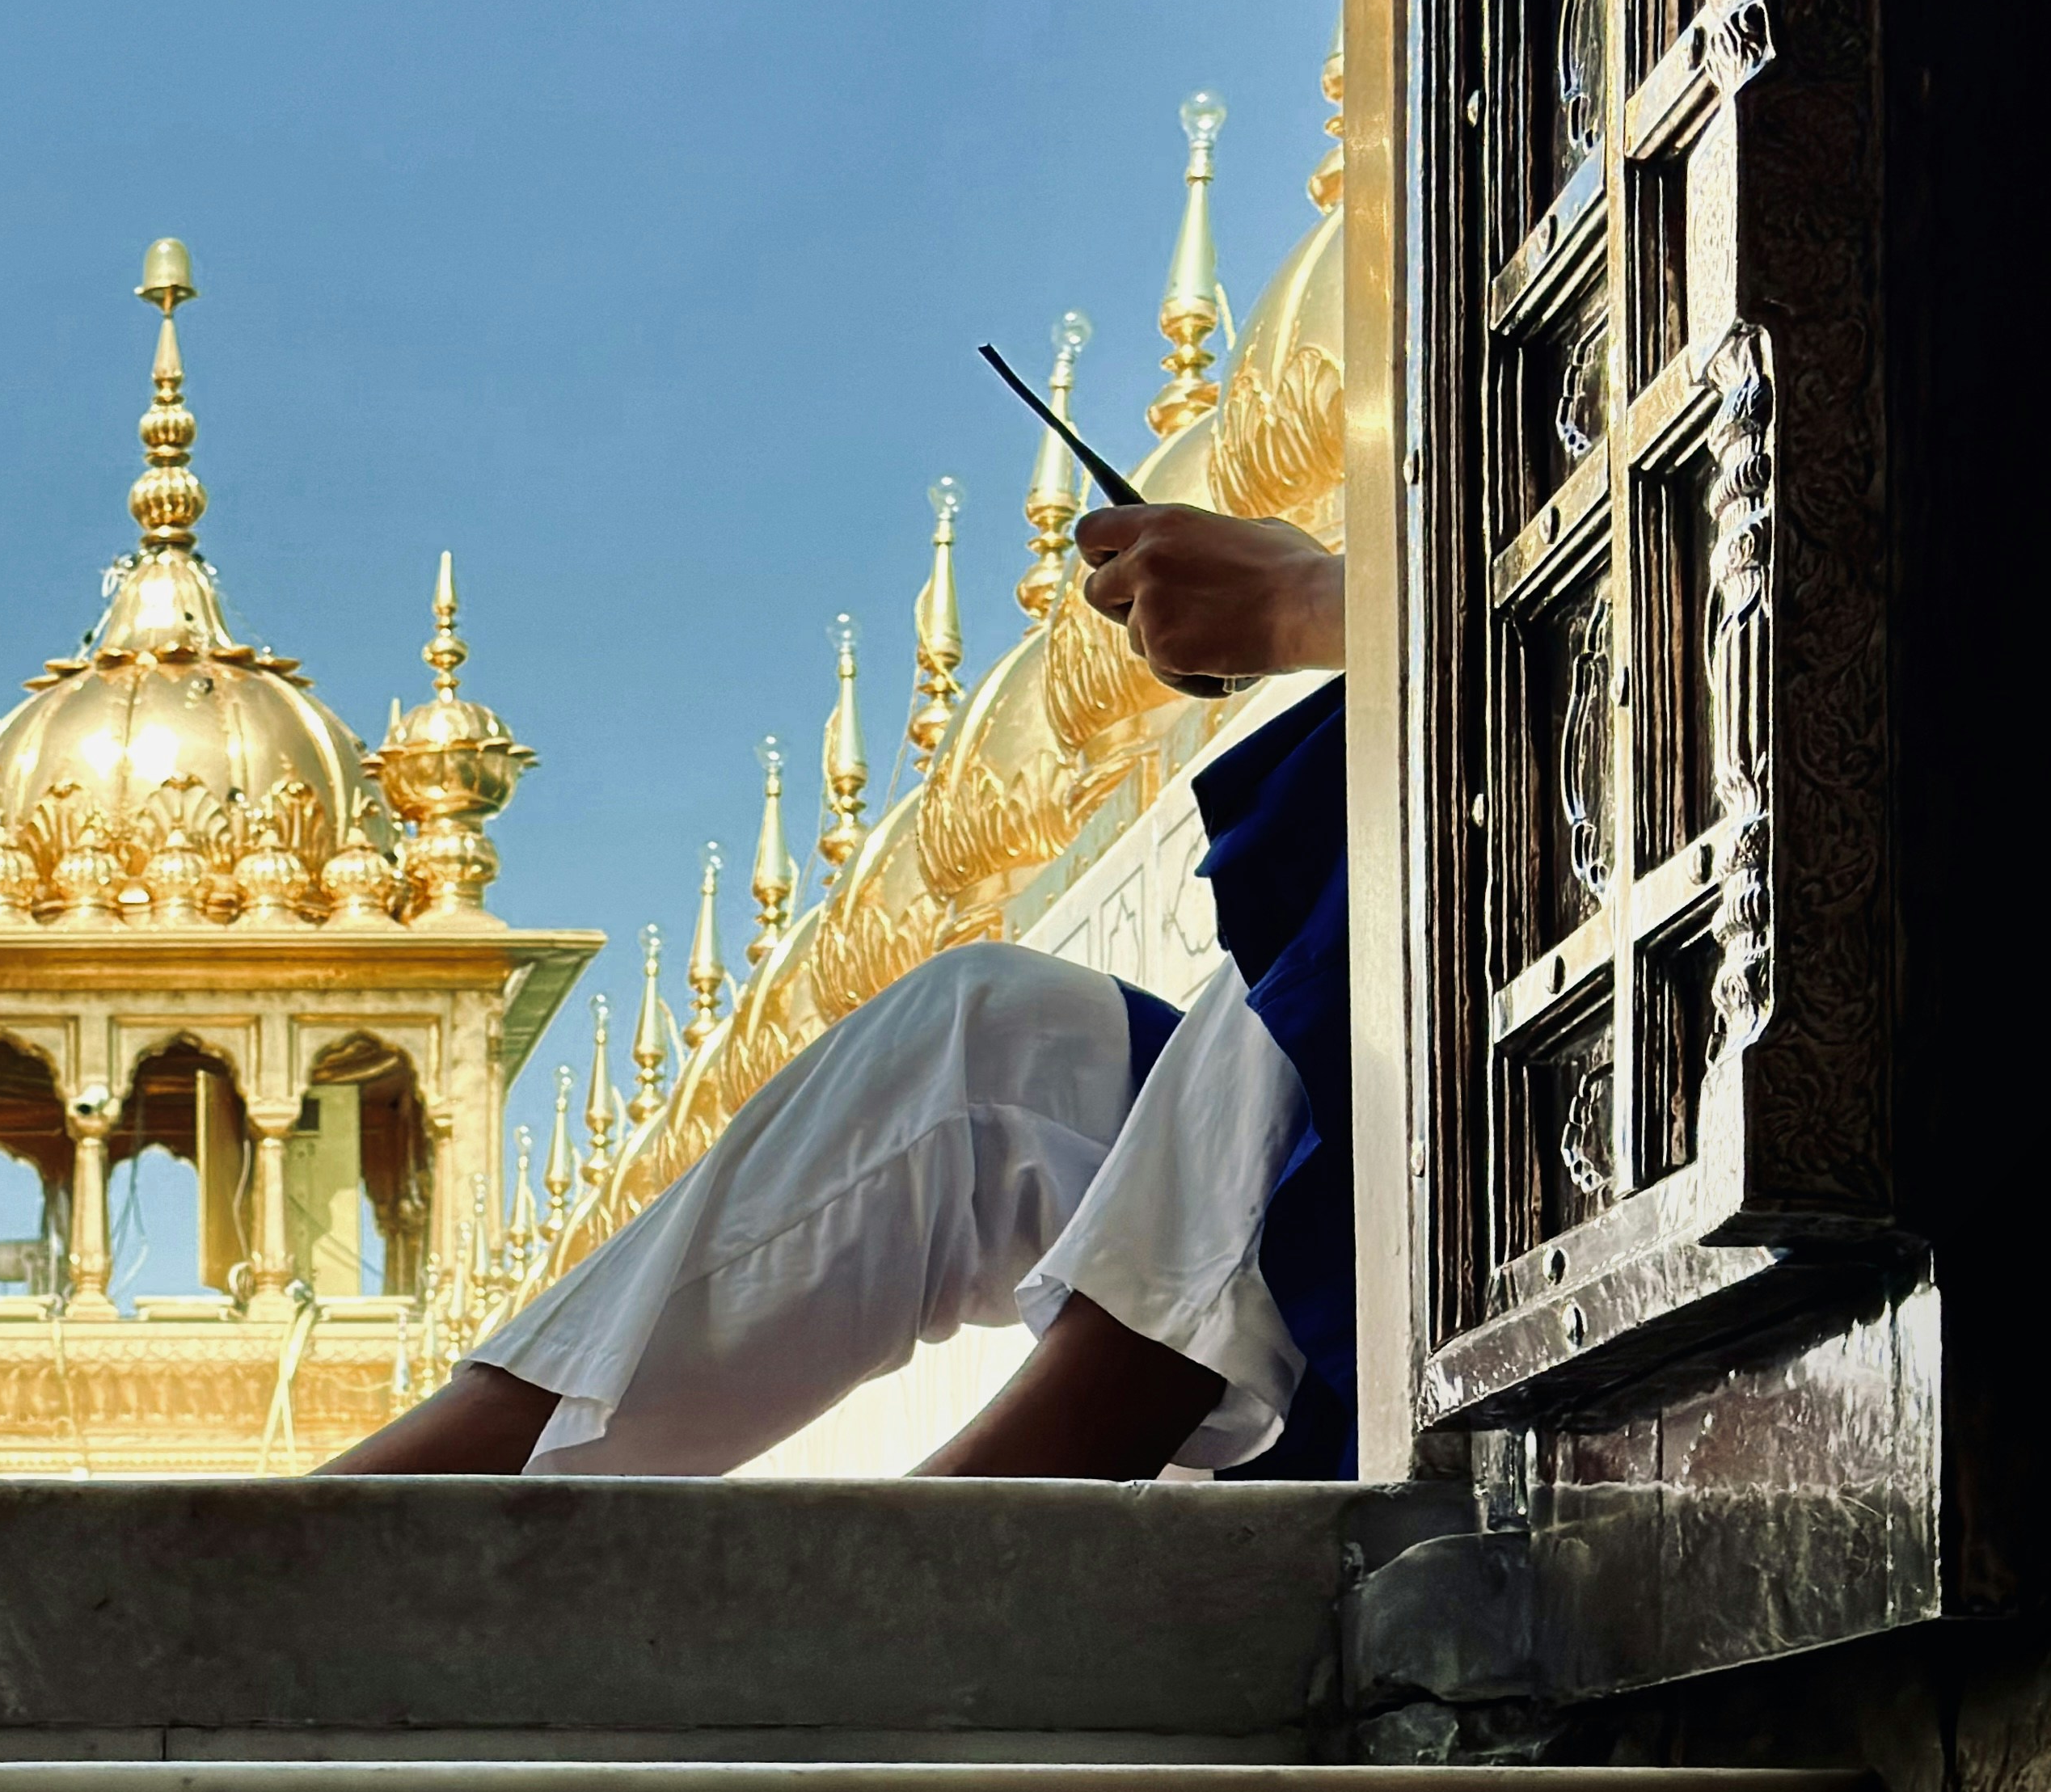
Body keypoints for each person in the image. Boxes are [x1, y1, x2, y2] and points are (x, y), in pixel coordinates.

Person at [323, 503, 1350, 1480]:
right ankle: (358, 1518)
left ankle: (1006, 1497)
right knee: (982, 1027)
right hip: (1346, 1194)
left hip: (1406, 1173)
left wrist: (1308, 601)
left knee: (1360, 875)